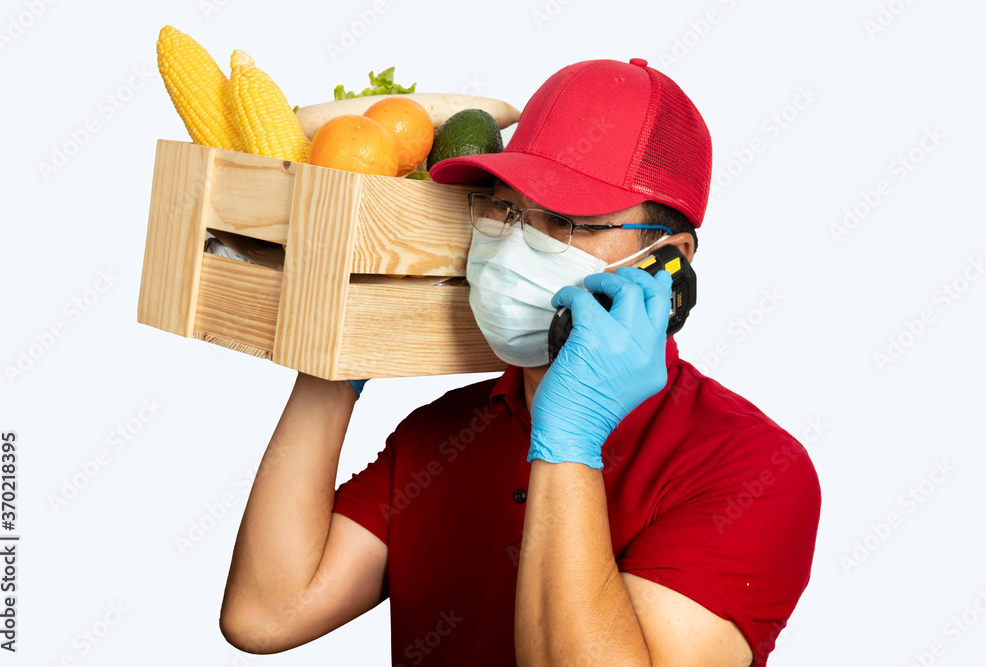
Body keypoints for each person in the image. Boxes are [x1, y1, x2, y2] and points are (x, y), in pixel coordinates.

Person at [219, 58, 821, 666]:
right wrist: (334, 357)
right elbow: (267, 615)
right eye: (503, 210)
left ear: (668, 262)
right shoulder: (441, 433)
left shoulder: (753, 468)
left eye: (565, 221)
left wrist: (570, 436)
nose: (512, 247)